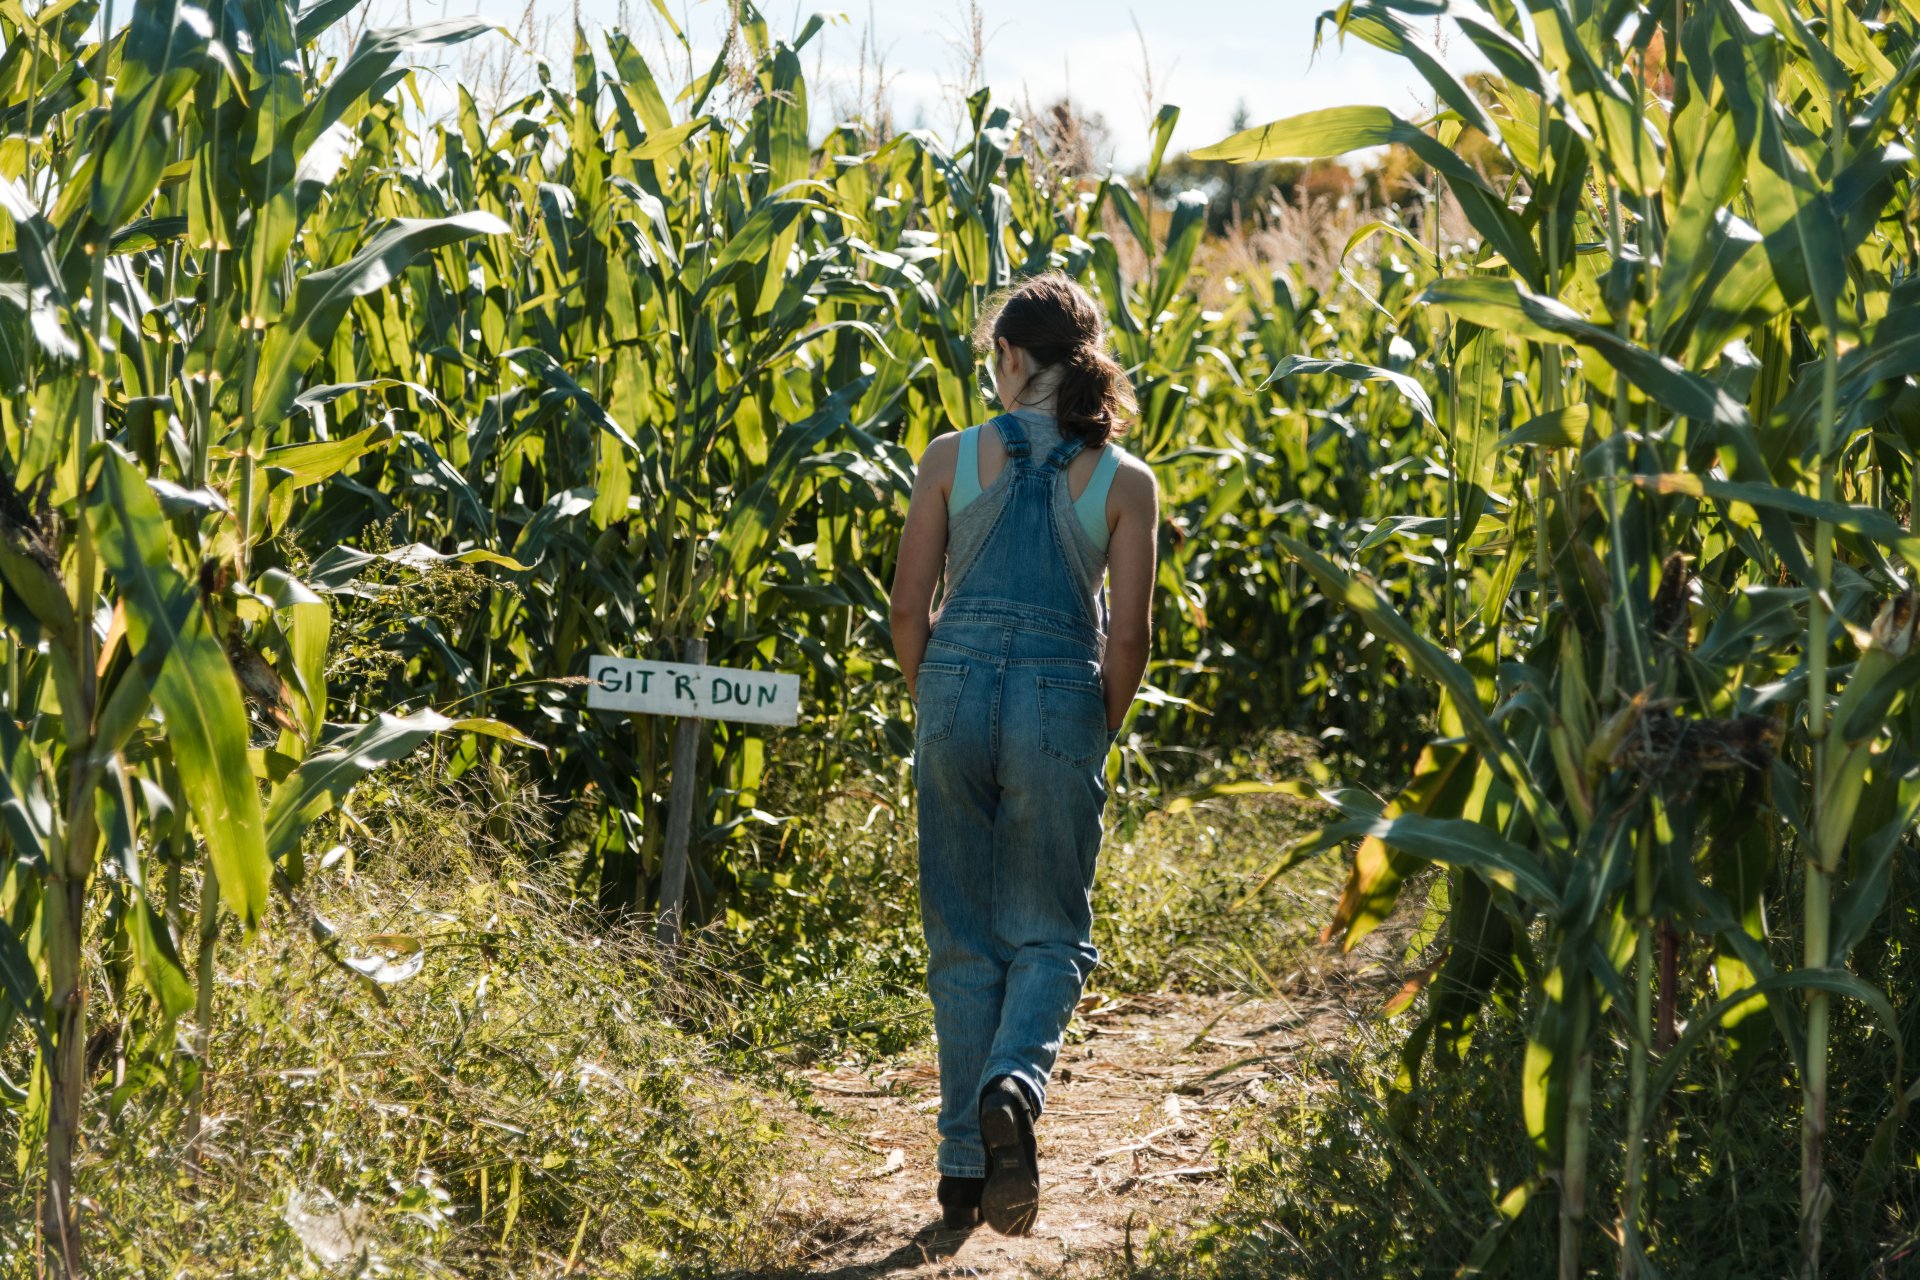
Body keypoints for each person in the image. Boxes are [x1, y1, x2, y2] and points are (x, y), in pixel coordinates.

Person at [887, 272, 1160, 1234]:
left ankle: (963, 1168)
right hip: (1060, 696)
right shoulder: (1126, 481)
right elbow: (1127, 640)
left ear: (1009, 357)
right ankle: (1013, 1086)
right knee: (1050, 931)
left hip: (953, 687)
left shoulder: (950, 457)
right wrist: (1094, 725)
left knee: (960, 932)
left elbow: (907, 608)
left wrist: (940, 702)